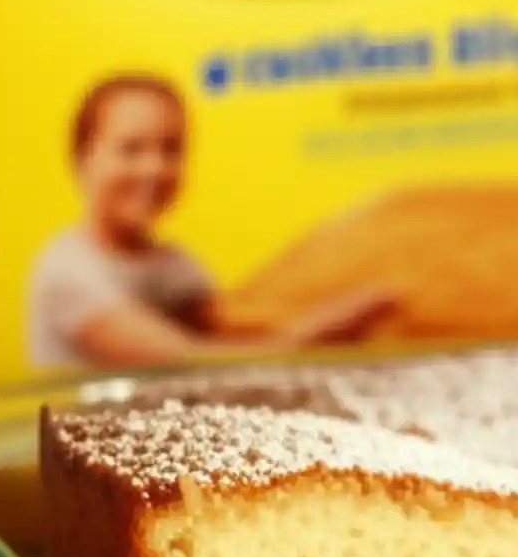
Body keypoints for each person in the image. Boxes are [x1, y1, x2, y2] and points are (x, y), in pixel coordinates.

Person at [28, 75, 391, 369]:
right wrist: (306, 338)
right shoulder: (68, 271)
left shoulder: (176, 264)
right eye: (131, 149)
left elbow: (236, 329)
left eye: (171, 149)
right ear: (82, 158)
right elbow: (188, 362)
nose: (154, 167)